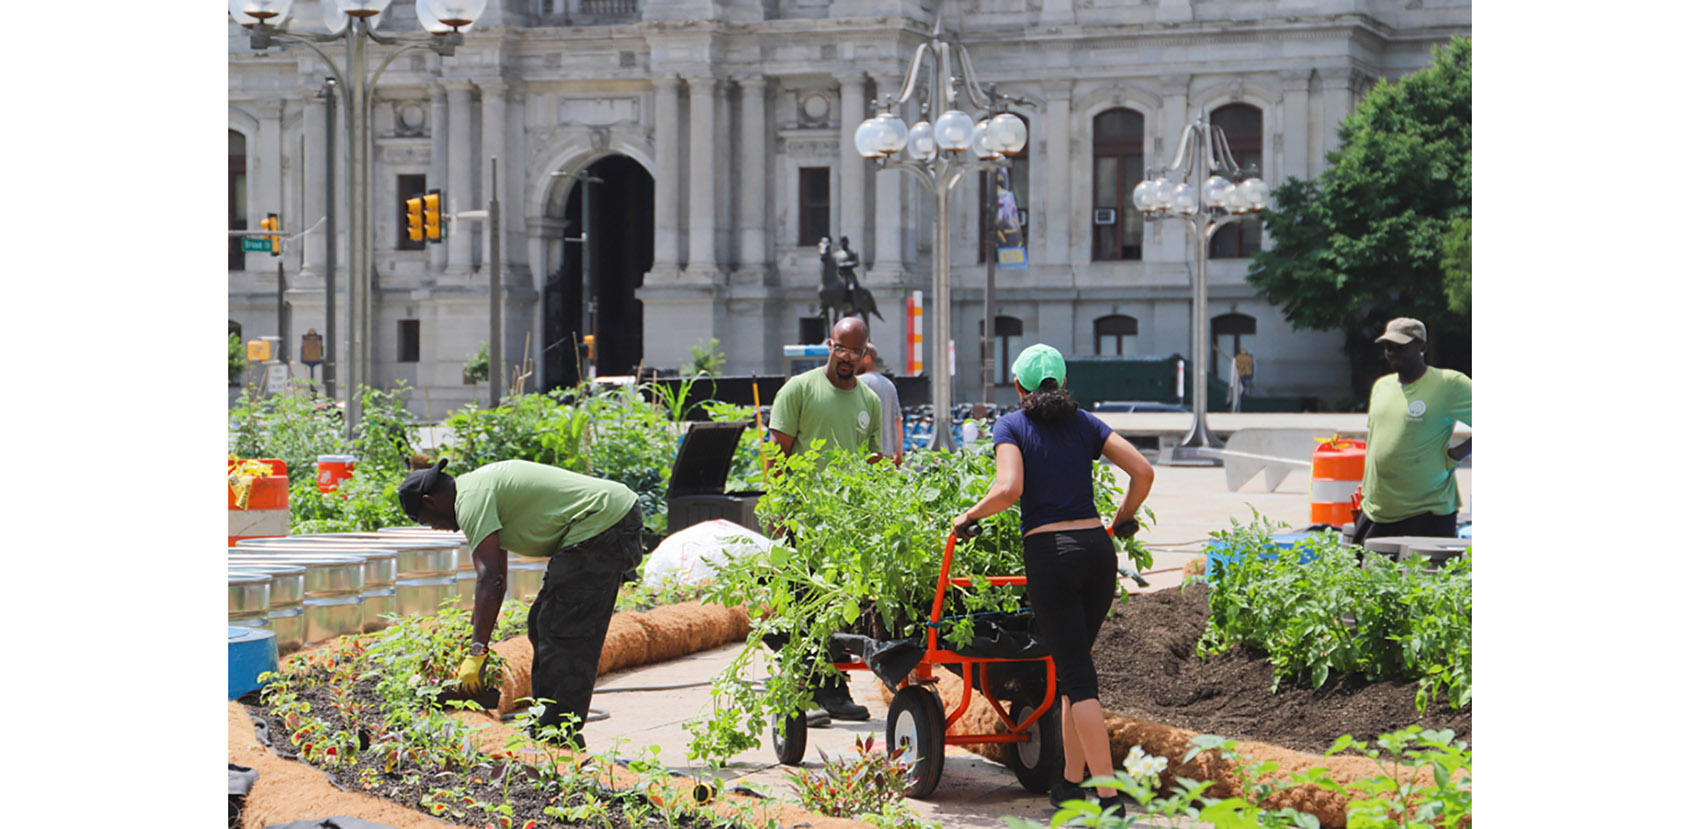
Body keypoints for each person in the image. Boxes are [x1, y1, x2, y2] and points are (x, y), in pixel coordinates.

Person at [951, 344, 1156, 811]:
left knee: (1079, 680)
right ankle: (1068, 782)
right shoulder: (1085, 423)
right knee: (1072, 670)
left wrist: (967, 517)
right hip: (1097, 555)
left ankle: (1107, 800)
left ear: (1019, 387)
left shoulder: (1011, 425)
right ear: (1060, 384)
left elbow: (1009, 488)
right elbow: (1143, 471)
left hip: (1051, 557)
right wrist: (1123, 517)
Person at [399, 458, 643, 747]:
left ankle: (557, 734)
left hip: (603, 522)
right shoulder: (476, 488)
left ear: (431, 502)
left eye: (427, 522)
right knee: (544, 622)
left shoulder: (470, 500)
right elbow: (496, 577)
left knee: (563, 629)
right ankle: (548, 723)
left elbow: (491, 579)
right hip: (605, 520)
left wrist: (477, 651)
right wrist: (475, 641)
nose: (438, 529)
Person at [765, 315, 884, 721]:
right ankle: (811, 688)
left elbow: (874, 463)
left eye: (855, 350)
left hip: (847, 526)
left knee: (839, 609)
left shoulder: (869, 401)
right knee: (803, 607)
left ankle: (831, 689)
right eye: (840, 348)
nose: (847, 357)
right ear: (828, 345)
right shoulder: (799, 390)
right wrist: (780, 514)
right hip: (802, 520)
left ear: (865, 352)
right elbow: (776, 457)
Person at [1353, 318, 1472, 546]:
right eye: (1388, 347)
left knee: (1421, 581)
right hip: (1377, 509)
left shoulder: (1449, 384)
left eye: (1401, 347)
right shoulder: (1382, 386)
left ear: (1422, 347)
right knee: (1360, 577)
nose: (1392, 353)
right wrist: (1365, 496)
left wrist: (1456, 456)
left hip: (1426, 512)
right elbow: (1378, 443)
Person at [856, 343, 904, 466]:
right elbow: (897, 421)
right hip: (886, 456)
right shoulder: (889, 385)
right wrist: (899, 453)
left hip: (864, 456)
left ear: (867, 358)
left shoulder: (857, 383)